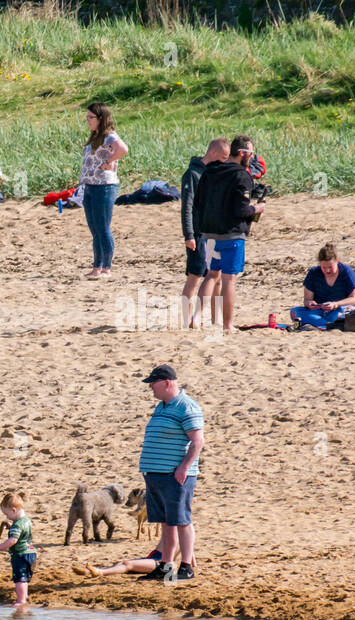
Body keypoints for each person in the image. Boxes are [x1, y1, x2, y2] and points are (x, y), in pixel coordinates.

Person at [137, 364, 203, 583]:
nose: (150, 389)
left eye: (153, 384)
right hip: (156, 473)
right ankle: (166, 566)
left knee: (181, 519)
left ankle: (186, 566)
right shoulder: (163, 406)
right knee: (166, 522)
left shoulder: (186, 406)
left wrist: (183, 468)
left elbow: (197, 441)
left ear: (166, 383)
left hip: (175, 475)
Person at [194, 134, 264, 333]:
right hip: (231, 235)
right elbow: (241, 210)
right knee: (228, 279)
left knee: (210, 275)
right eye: (250, 154)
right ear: (242, 153)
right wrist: (256, 209)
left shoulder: (210, 171)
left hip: (209, 233)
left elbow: (198, 203)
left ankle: (196, 318)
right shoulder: (241, 175)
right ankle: (227, 325)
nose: (251, 157)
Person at [180, 138, 229, 329]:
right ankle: (186, 319)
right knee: (195, 275)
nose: (225, 162)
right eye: (224, 157)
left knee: (215, 275)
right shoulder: (192, 174)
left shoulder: (213, 173)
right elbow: (187, 207)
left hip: (213, 232)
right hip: (197, 233)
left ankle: (215, 319)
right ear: (214, 153)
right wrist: (189, 234)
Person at [80, 102, 128, 278]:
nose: (88, 121)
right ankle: (97, 267)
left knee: (102, 227)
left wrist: (110, 162)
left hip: (104, 186)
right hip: (90, 185)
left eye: (90, 117)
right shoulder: (95, 136)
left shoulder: (109, 135)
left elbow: (123, 149)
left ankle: (106, 267)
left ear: (100, 118)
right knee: (94, 228)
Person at [290, 243, 355, 330]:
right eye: (324, 267)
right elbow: (307, 299)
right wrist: (310, 303)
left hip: (340, 309)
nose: (327, 270)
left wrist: (335, 304)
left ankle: (322, 324)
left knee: (344, 313)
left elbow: (354, 300)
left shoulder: (346, 272)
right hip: (321, 311)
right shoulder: (314, 273)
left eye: (330, 267)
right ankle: (327, 324)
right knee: (295, 312)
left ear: (337, 261)